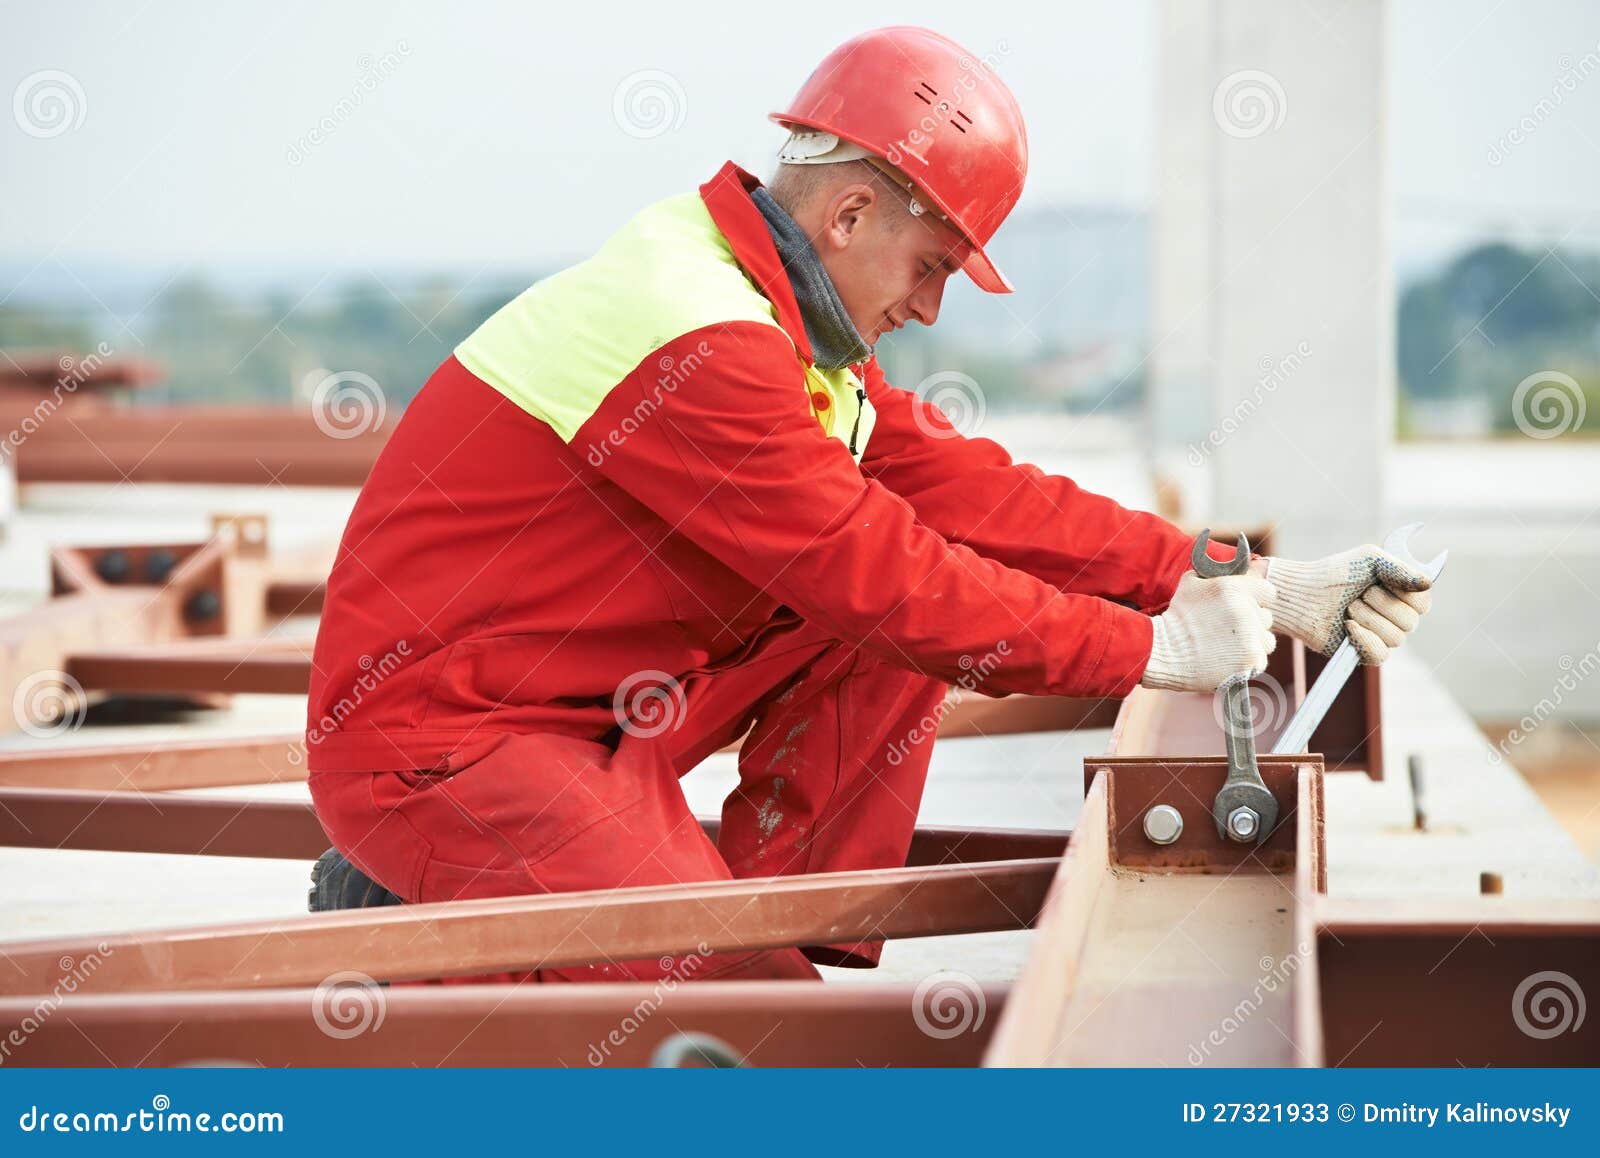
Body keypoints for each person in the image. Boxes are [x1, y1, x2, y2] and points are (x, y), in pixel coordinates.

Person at [303, 26, 1432, 982]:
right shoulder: (699, 338)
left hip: (573, 701)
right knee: (719, 1019)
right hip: (449, 748)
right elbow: (884, 574)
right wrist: (1145, 650)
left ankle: (789, 927)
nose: (933, 309)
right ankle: (734, 976)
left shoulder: (779, 322)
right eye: (932, 267)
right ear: (846, 216)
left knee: (907, 616)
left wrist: (1245, 577)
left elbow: (978, 498)